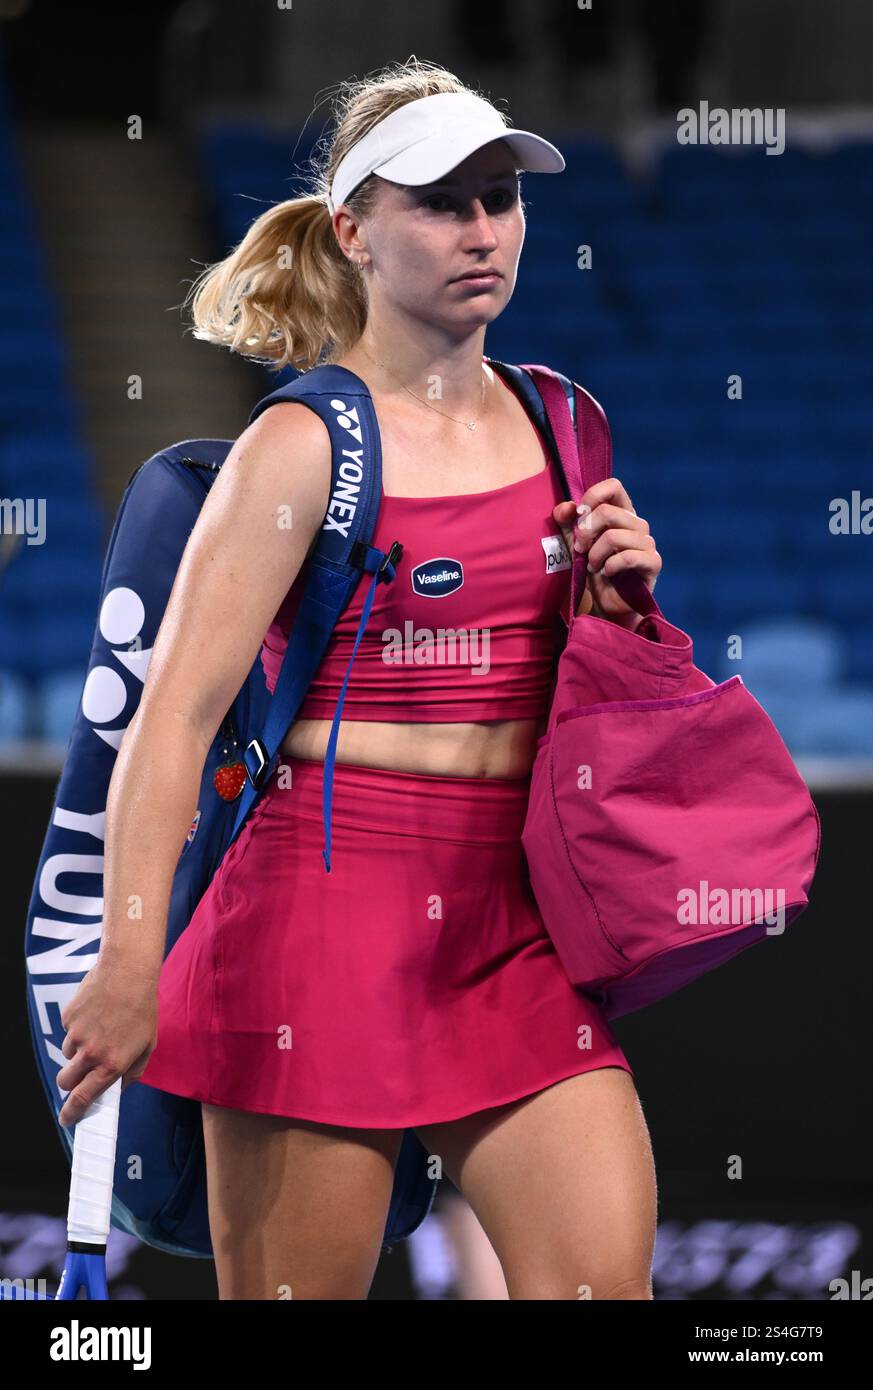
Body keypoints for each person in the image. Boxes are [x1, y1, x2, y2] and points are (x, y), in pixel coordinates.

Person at [55, 57, 661, 1301]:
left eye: (502, 197)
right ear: (354, 231)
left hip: (511, 930)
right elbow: (172, 718)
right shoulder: (295, 444)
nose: (483, 230)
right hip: (312, 930)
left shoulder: (566, 421)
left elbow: (603, 697)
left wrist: (625, 609)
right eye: (442, 201)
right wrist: (126, 960)